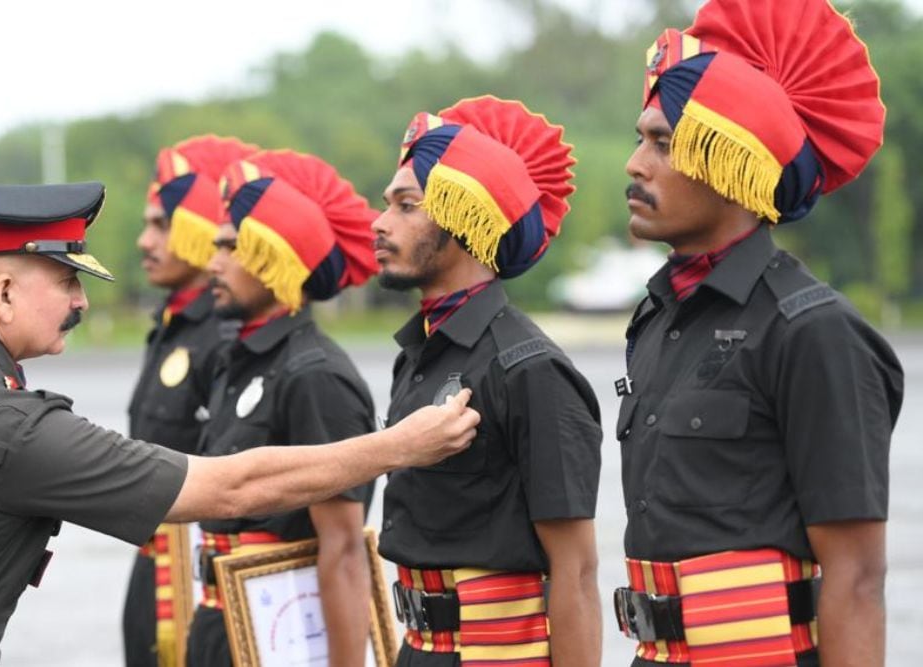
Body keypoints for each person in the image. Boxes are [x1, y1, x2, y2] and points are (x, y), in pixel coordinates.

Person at [0, 181, 481, 667]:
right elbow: (226, 487)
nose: (81, 303)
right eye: (65, 281)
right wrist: (399, 444)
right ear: (1, 292)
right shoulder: (13, 428)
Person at [613, 1, 904, 665]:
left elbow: (857, 580)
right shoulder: (658, 317)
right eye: (641, 138)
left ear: (733, 159)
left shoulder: (814, 332)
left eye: (663, 142)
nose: (635, 163)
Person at [373, 95, 603, 667]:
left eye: (406, 205)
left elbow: (576, 573)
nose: (380, 223)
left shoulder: (530, 368)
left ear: (461, 213)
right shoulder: (419, 354)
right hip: (419, 648)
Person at [184, 150, 382, 666]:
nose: (214, 263)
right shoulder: (239, 360)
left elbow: (341, 550)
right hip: (218, 622)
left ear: (280, 254)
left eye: (232, 246)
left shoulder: (316, 376)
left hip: (282, 634)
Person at [124, 135, 256, 667]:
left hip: (197, 570)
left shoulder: (223, 334)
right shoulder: (172, 324)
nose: (143, 240)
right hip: (152, 556)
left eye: (161, 223)